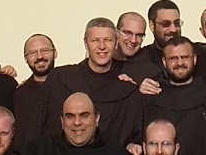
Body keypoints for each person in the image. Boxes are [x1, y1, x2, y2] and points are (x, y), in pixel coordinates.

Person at [45, 18, 143, 148]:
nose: (102, 46)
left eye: (107, 40)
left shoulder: (128, 90)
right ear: (86, 43)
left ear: (116, 43)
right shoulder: (60, 78)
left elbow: (134, 136)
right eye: (95, 40)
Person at [141, 36, 206, 155]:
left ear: (195, 59)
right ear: (164, 62)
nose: (180, 63)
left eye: (185, 57)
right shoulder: (152, 98)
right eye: (173, 58)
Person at [13, 34, 59, 144]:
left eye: (45, 50)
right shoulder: (19, 94)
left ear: (55, 53)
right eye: (32, 52)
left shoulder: (69, 86)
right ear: (25, 58)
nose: (39, 56)